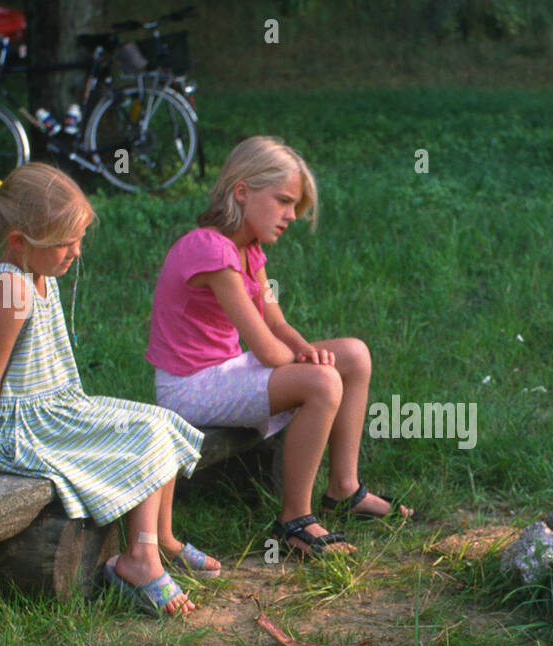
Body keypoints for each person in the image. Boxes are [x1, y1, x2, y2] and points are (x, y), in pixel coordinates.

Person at [0, 163, 215, 615]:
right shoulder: (10, 290)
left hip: (57, 407)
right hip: (21, 428)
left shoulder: (40, 276)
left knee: (158, 421)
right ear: (20, 242)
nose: (76, 252)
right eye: (65, 243)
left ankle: (161, 539)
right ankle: (138, 562)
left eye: (78, 239)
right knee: (142, 438)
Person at [147, 135, 413, 557]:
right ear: (242, 192)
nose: (290, 215)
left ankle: (344, 488)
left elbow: (276, 322)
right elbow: (268, 351)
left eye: (295, 207)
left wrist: (307, 350)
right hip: (190, 388)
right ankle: (294, 520)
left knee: (354, 355)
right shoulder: (209, 249)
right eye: (284, 201)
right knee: (323, 384)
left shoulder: (248, 249)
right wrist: (308, 367)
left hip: (226, 372)